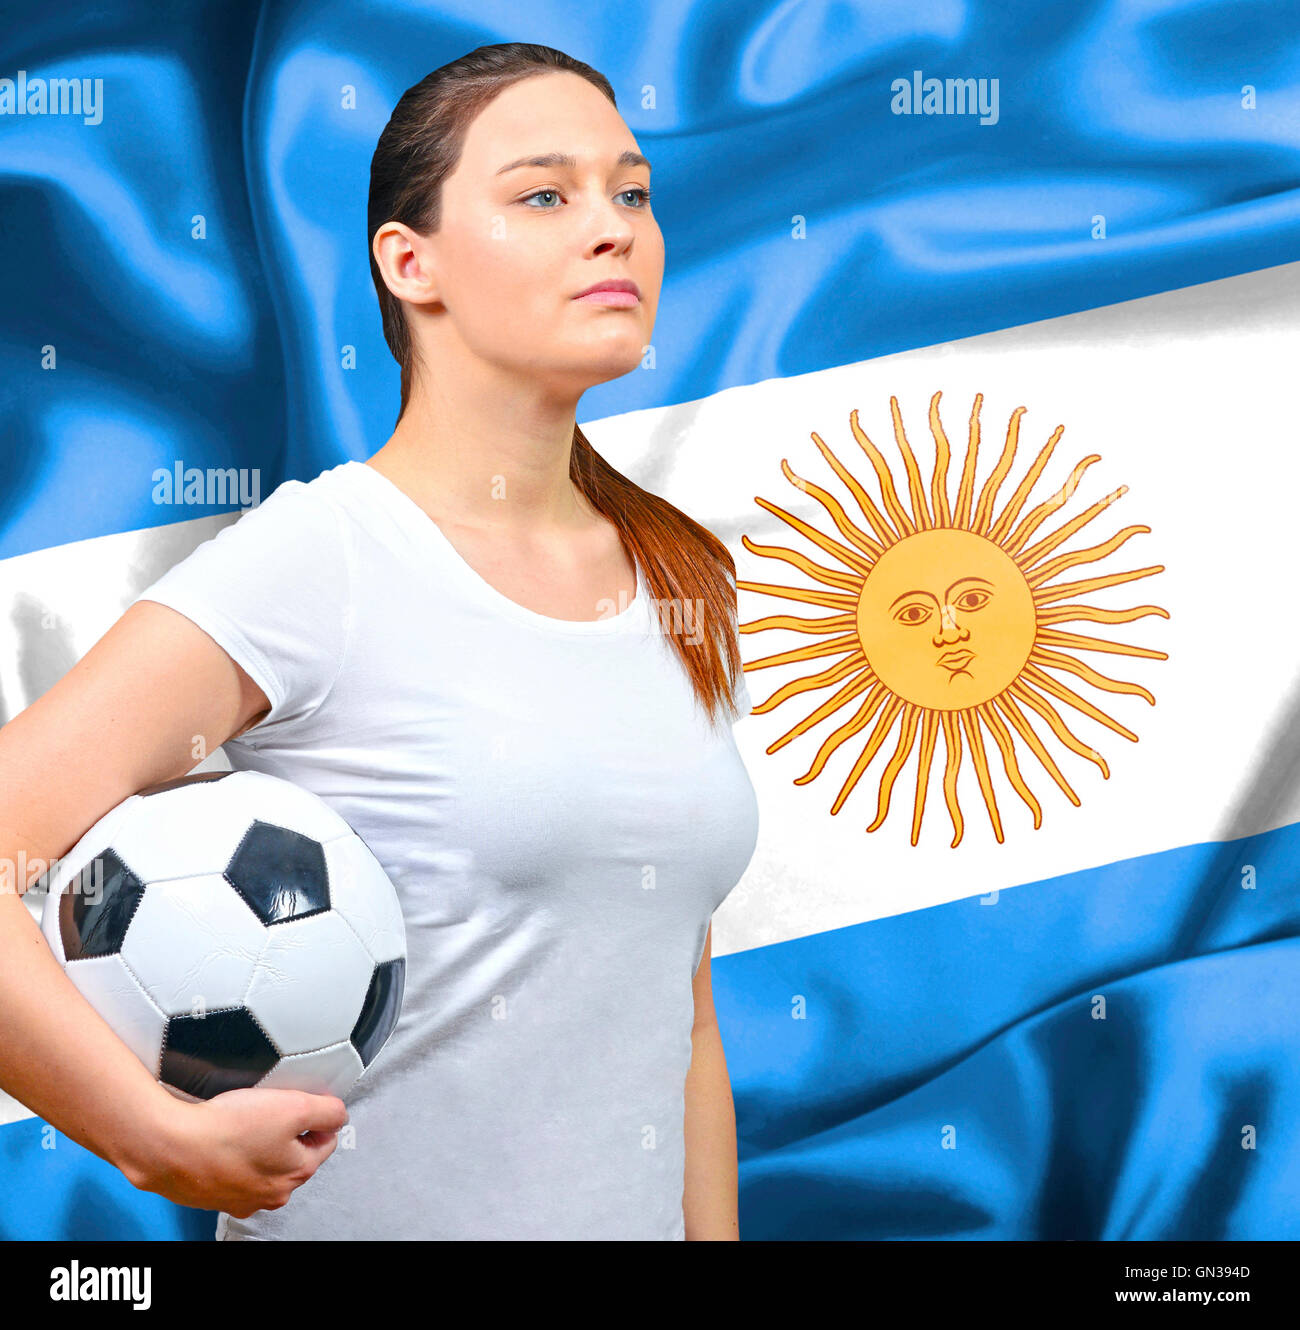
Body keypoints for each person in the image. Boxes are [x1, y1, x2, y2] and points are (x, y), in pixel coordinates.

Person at [0, 42, 757, 1240]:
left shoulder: (680, 575)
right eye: (544, 195)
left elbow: (679, 1016)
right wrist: (149, 1137)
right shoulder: (327, 561)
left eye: (632, 191)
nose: (612, 229)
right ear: (410, 265)